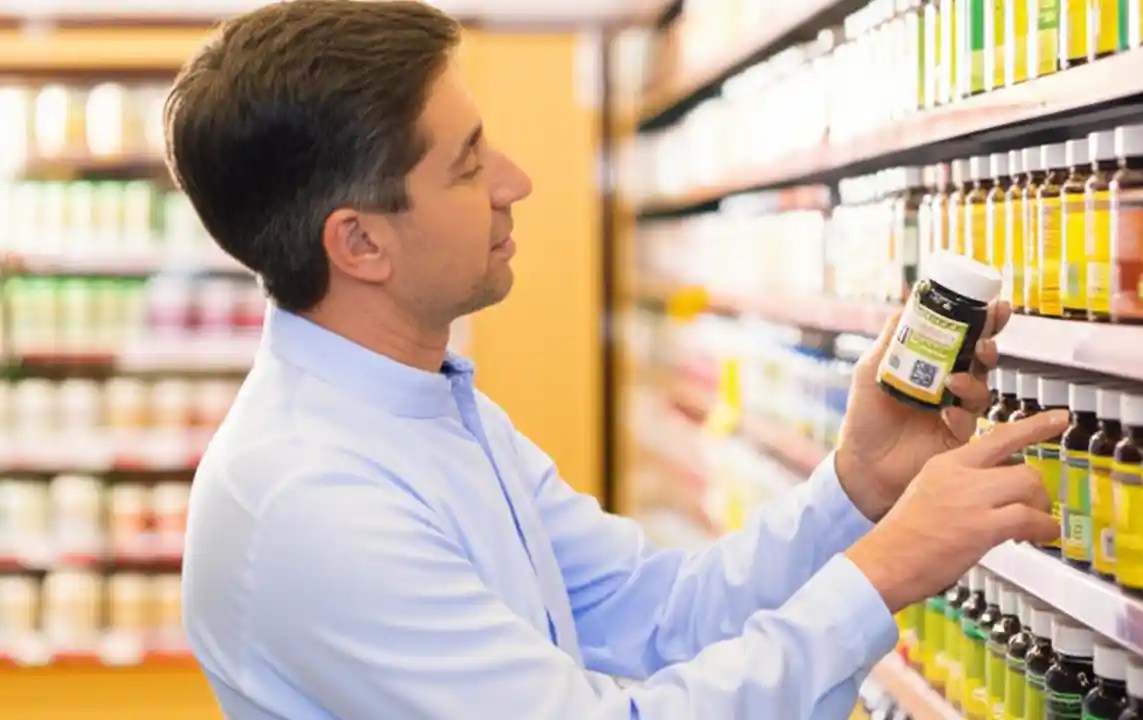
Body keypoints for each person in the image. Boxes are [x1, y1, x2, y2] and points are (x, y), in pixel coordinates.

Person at [169, 2, 1066, 718]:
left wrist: (859, 487)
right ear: (359, 242)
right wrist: (888, 569)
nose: (516, 183)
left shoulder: (434, 411)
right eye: (469, 164)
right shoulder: (314, 502)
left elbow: (663, 615)